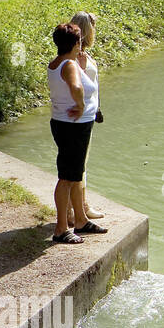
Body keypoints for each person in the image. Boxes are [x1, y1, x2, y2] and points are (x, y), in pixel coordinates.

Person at [47, 22, 106, 244]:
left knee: (75, 175)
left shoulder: (59, 62)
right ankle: (61, 228)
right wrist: (80, 105)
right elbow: (77, 88)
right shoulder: (69, 65)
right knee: (67, 178)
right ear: (75, 42)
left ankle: (80, 220)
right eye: (80, 40)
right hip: (73, 126)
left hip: (65, 124)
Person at [67, 11, 105, 228]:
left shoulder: (80, 54)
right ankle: (75, 211)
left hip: (88, 115)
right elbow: (76, 84)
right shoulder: (75, 58)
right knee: (77, 167)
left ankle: (83, 205)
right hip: (79, 118)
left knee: (82, 165)